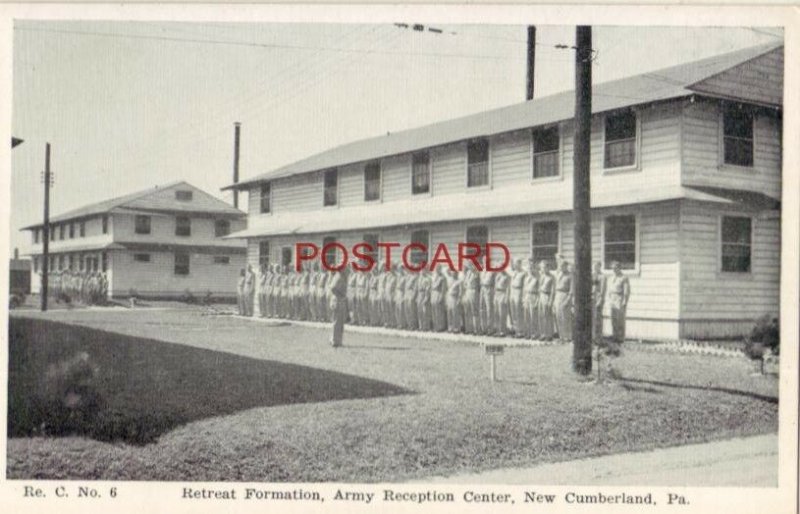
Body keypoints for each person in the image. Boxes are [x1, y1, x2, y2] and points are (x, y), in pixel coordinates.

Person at [608, 261, 630, 344]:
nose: (614, 270)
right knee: (613, 318)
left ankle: (620, 338)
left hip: (619, 298)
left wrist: (625, 301)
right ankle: (615, 336)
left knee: (620, 319)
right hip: (612, 298)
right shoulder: (612, 277)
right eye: (612, 268)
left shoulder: (624, 277)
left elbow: (626, 291)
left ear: (619, 268)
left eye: (615, 268)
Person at [328, 265, 348, 347]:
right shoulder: (338, 277)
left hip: (339, 300)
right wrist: (340, 295)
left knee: (339, 321)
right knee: (337, 321)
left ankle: (337, 340)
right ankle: (334, 340)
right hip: (337, 300)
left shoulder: (340, 276)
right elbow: (333, 288)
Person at [553, 260, 574, 342]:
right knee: (558, 317)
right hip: (558, 295)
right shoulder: (558, 274)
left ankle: (568, 337)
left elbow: (571, 290)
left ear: (566, 266)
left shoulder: (570, 276)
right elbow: (555, 288)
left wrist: (568, 300)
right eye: (560, 266)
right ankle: (561, 336)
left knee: (566, 317)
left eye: (563, 266)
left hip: (565, 295)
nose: (561, 267)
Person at [537, 260, 555, 341]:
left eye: (544, 267)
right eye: (542, 267)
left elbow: (553, 290)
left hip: (547, 295)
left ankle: (549, 334)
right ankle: (543, 334)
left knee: (547, 315)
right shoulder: (541, 276)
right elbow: (539, 287)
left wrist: (550, 300)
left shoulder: (552, 277)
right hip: (541, 295)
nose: (543, 269)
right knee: (541, 315)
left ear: (548, 267)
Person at [523, 259, 539, 340]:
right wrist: (523, 299)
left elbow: (539, 290)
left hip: (533, 295)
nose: (530, 269)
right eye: (529, 267)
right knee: (527, 316)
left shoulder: (537, 277)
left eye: (532, 267)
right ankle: (528, 333)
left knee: (533, 316)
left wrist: (537, 300)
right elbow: (524, 289)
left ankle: (534, 333)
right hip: (527, 296)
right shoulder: (526, 277)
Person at [509, 259, 526, 337]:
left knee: (519, 311)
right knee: (513, 312)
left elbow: (524, 286)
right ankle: (515, 330)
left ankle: (521, 331)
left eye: (517, 264)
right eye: (514, 264)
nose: (515, 266)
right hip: (513, 291)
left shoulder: (523, 273)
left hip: (519, 291)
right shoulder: (514, 273)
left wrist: (523, 296)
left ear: (520, 264)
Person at [462, 264, 480, 335]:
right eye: (469, 266)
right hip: (467, 291)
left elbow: (477, 283)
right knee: (467, 310)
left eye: (472, 265)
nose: (470, 267)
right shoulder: (468, 273)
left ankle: (476, 329)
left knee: (474, 311)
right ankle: (468, 329)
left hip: (473, 291)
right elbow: (465, 283)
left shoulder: (476, 273)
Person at [592, 261, 607, 342]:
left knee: (598, 317)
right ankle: (593, 336)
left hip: (598, 297)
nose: (594, 268)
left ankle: (599, 336)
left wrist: (600, 299)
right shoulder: (593, 276)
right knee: (592, 317)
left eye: (596, 266)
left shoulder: (602, 277)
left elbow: (602, 290)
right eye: (593, 266)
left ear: (599, 267)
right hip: (592, 298)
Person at [493, 267, 511, 337]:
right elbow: (495, 286)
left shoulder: (507, 276)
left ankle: (503, 331)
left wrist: (506, 297)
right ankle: (498, 330)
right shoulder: (497, 275)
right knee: (496, 313)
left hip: (503, 293)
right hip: (497, 293)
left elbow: (508, 288)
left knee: (502, 313)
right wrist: (494, 296)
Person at [445, 268, 462, 333]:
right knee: (449, 313)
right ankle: (450, 327)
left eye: (455, 273)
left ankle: (456, 328)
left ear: (457, 274)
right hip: (449, 297)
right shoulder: (449, 279)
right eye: (452, 272)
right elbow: (446, 271)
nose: (453, 274)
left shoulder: (458, 281)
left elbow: (460, 291)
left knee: (455, 313)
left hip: (455, 297)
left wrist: (459, 299)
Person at [479, 265, 495, 335]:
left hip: (488, 289)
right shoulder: (482, 271)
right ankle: (483, 328)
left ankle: (490, 329)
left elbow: (488, 281)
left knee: (489, 309)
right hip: (482, 289)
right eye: (484, 261)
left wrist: (483, 282)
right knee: (482, 308)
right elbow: (481, 281)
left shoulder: (491, 271)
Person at [430, 266, 447, 332]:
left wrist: (441, 297)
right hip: (433, 293)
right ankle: (435, 326)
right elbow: (432, 287)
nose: (437, 270)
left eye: (438, 269)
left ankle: (440, 327)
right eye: (436, 269)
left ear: (440, 269)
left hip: (438, 293)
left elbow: (443, 289)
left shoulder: (442, 278)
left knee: (439, 312)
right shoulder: (434, 277)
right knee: (434, 311)